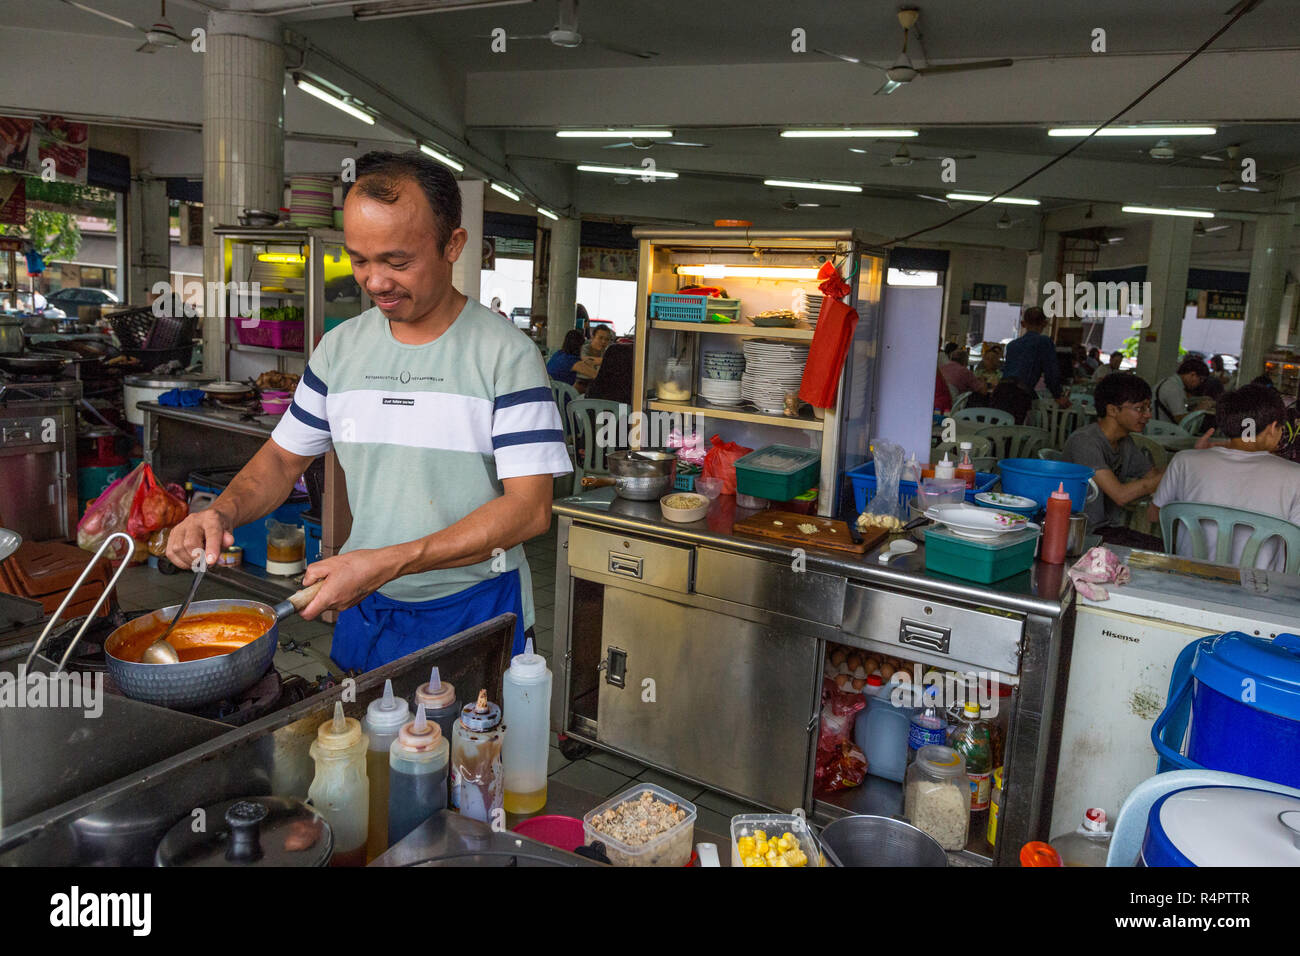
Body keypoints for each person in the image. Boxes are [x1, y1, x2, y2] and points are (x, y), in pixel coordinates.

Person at [165, 149, 571, 669]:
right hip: (366, 601)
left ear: (454, 245)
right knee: (355, 746)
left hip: (473, 609)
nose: (375, 281)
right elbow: (281, 461)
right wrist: (219, 511)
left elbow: (530, 509)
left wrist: (388, 562)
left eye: (397, 261)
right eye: (360, 259)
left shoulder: (506, 355)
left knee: (466, 751)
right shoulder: (340, 349)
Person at [1150, 384, 1300, 571]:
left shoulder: (1185, 461)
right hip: (1261, 593)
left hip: (1188, 579)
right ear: (1272, 428)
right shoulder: (1295, 476)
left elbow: (1154, 514)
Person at [1062, 372, 1165, 549]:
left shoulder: (1125, 442)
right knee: (1162, 554)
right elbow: (1121, 495)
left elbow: (1153, 476)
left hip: (1108, 530)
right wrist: (1181, 465)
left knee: (1169, 548)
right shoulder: (1085, 441)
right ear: (1112, 410)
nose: (1148, 415)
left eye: (1148, 408)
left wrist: (1188, 461)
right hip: (1082, 535)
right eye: (1140, 408)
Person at [990, 307, 1070, 424]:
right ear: (1045, 323)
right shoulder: (1045, 342)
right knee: (1013, 434)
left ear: (1023, 324)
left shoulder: (1012, 345)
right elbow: (1051, 373)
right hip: (1019, 395)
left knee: (997, 433)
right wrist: (1058, 396)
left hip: (1000, 391)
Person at [1153, 356, 1210, 424]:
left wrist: (1200, 399)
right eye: (1200, 379)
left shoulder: (1170, 382)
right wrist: (1199, 409)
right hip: (1163, 430)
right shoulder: (1173, 388)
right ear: (1192, 375)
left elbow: (1184, 400)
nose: (1200, 384)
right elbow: (1182, 420)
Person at [572, 324, 612, 393]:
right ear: (593, 337)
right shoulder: (584, 348)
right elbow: (586, 360)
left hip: (598, 385)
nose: (603, 342)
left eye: (607, 339)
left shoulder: (606, 352)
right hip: (580, 385)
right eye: (600, 338)